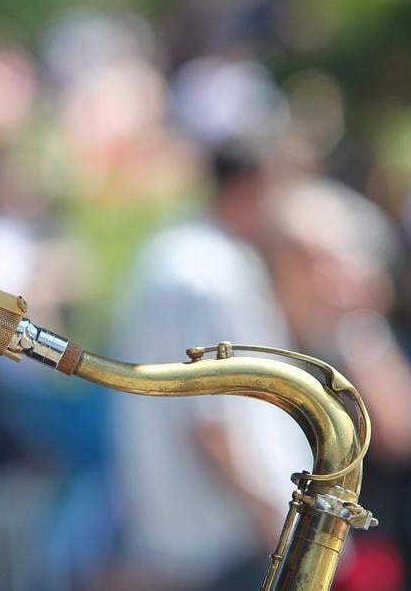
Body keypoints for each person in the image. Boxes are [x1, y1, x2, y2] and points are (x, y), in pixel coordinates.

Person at [109, 141, 312, 590]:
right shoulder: (209, 275)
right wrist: (268, 514)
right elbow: (210, 420)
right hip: (223, 540)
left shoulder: (175, 255)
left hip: (185, 535)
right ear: (253, 188)